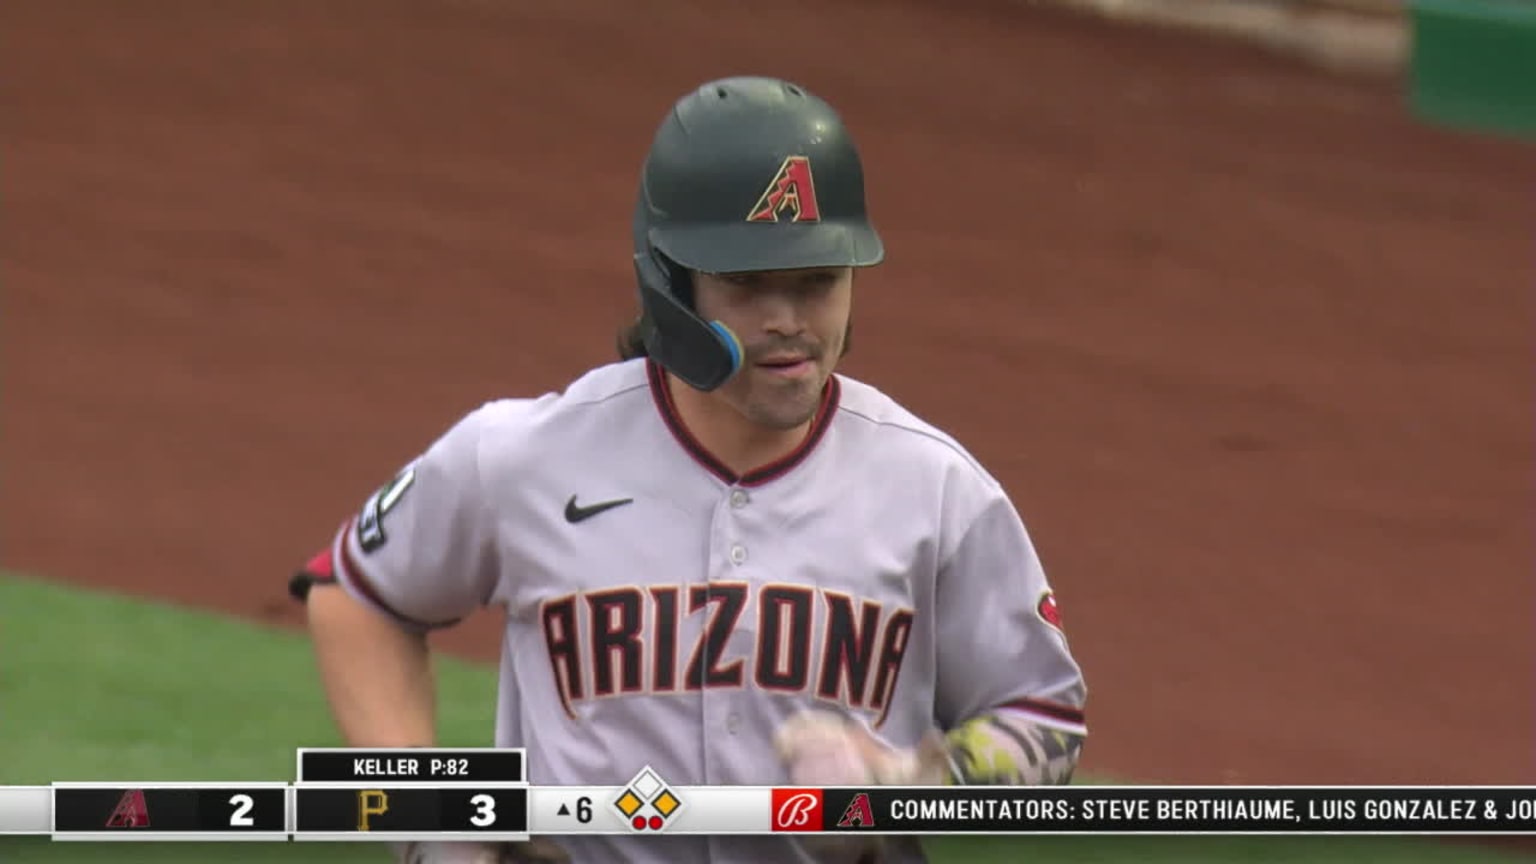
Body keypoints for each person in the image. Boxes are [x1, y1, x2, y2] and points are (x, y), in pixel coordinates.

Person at [288, 75, 1089, 864]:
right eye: (747, 286)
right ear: (669, 286)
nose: (788, 322)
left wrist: (913, 781)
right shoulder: (524, 457)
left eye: (817, 283)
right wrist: (435, 825)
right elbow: (360, 597)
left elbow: (1041, 717)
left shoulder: (937, 491)